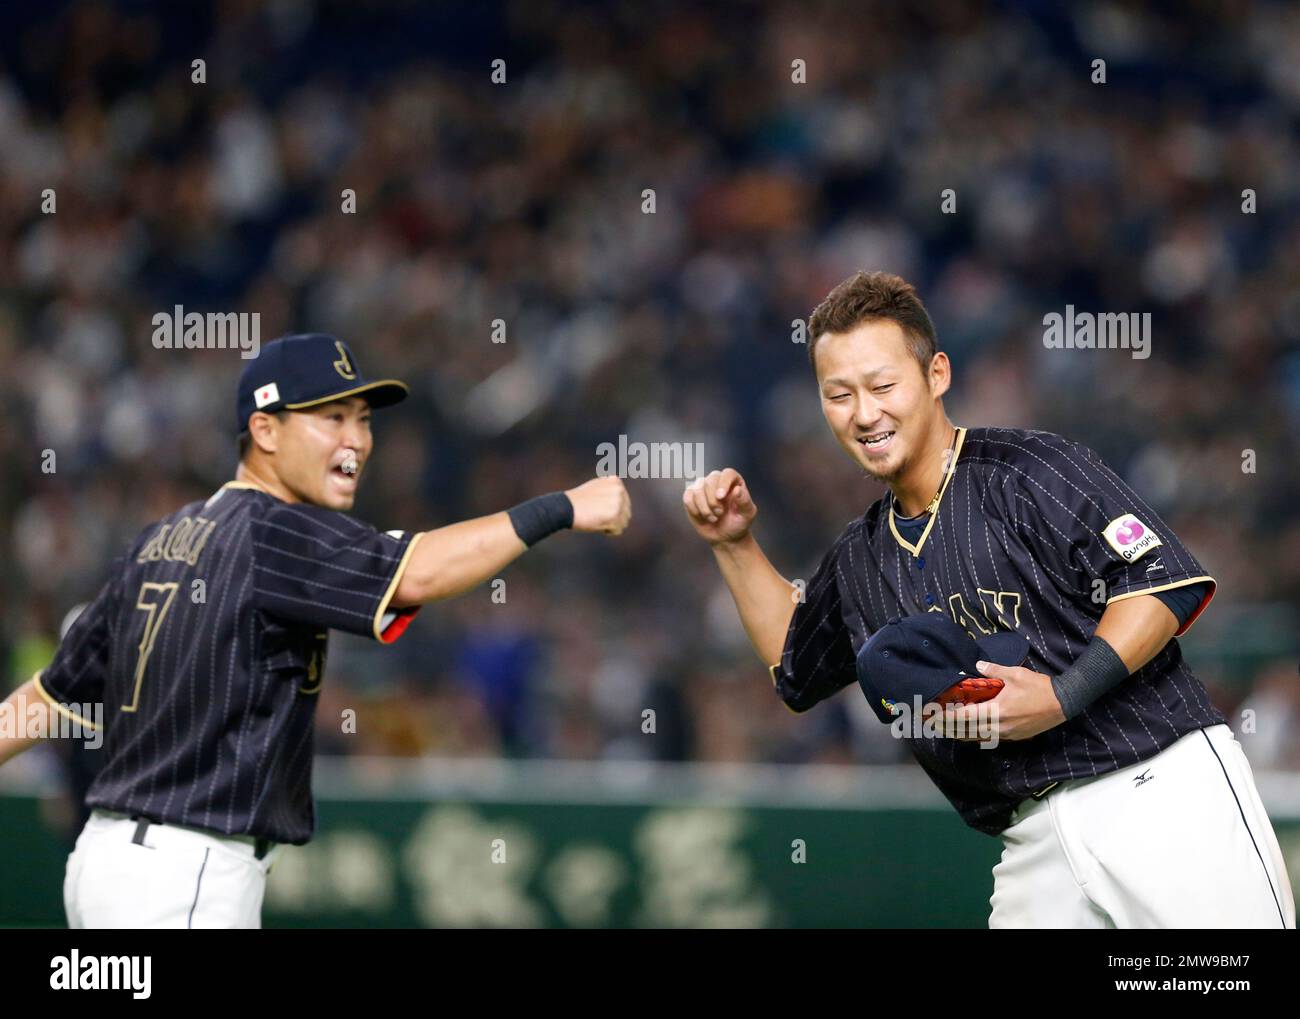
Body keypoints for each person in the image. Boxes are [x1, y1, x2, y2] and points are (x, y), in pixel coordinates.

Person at [683, 271, 1294, 928]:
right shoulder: (860, 556)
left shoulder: (1030, 471)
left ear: (936, 374)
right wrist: (735, 544)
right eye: (839, 394)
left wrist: (1063, 694)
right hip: (1030, 839)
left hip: (1156, 786)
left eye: (883, 385)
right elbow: (794, 665)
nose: (864, 413)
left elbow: (1160, 585)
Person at [0, 332, 631, 929]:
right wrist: (562, 507)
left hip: (104, 867)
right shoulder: (273, 529)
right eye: (332, 418)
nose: (356, 439)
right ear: (265, 429)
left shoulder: (160, 540)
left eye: (363, 418)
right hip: (183, 874)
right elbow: (419, 571)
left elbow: (49, 698)